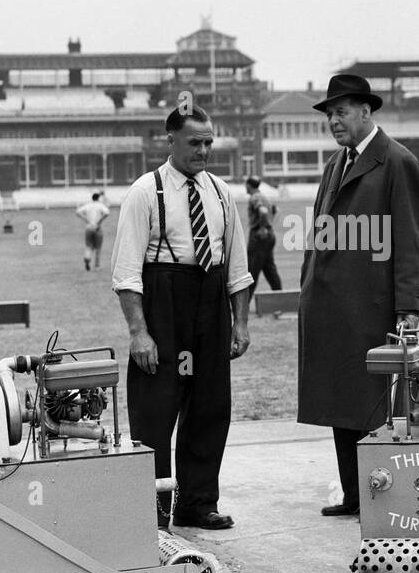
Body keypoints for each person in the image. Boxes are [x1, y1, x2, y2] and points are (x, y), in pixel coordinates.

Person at [112, 104, 252, 531]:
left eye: (209, 142)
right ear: (170, 140)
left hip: (210, 305)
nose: (204, 150)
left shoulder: (221, 193)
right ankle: (153, 509)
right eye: (195, 142)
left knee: (210, 407)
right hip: (163, 303)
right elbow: (126, 272)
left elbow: (238, 267)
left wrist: (240, 323)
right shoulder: (145, 191)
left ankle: (197, 502)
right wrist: (139, 332)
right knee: (156, 409)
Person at [297, 74, 419, 517]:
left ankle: (382, 496)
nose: (333, 121)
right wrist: (307, 290)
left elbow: (411, 239)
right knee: (341, 402)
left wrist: (409, 307)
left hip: (371, 307)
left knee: (373, 405)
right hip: (332, 307)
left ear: (365, 112)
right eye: (329, 114)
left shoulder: (396, 161)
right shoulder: (335, 164)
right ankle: (355, 495)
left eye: (341, 112)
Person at [245, 175, 281, 303]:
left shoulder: (255, 197)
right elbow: (275, 210)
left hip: (259, 237)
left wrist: (263, 228)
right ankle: (281, 297)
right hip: (269, 236)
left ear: (249, 185)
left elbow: (263, 211)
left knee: (251, 270)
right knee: (269, 269)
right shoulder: (265, 197)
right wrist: (269, 226)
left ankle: (243, 303)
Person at [76, 191, 111, 271]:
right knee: (98, 248)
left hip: (88, 227)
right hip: (97, 227)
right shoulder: (100, 205)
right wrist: (99, 221)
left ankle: (87, 257)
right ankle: (97, 266)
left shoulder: (88, 205)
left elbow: (78, 212)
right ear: (98, 198)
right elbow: (107, 213)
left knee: (89, 246)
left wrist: (86, 220)